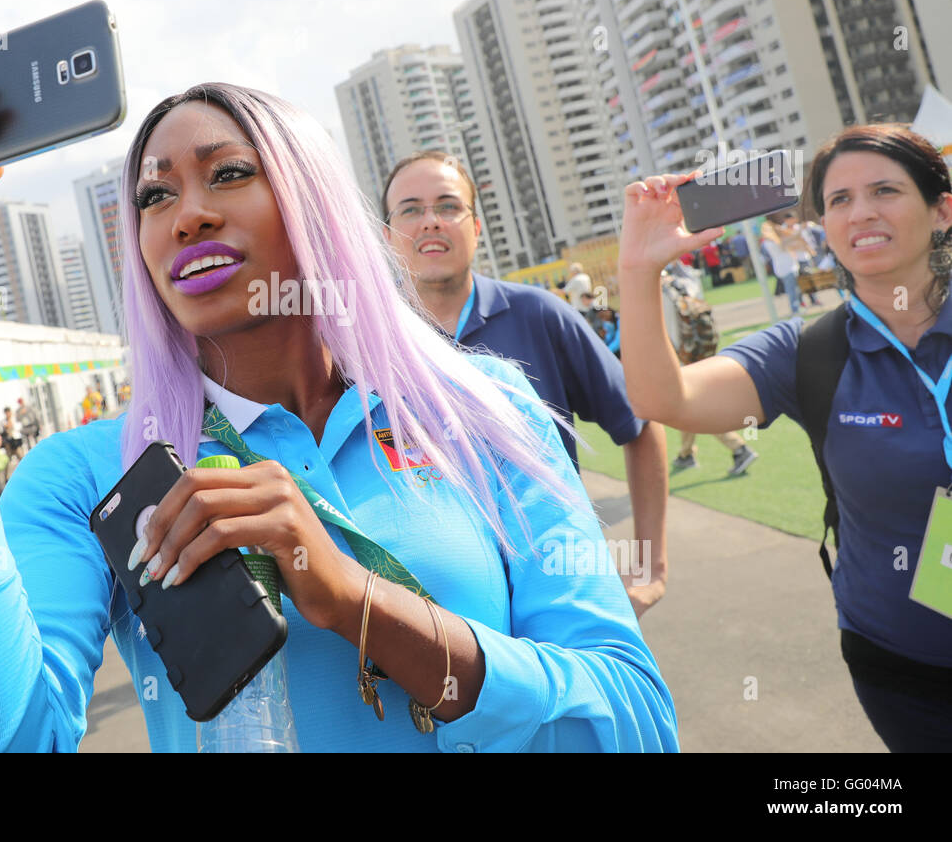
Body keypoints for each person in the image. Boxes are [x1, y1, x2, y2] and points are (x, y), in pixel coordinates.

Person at [0, 77, 677, 752]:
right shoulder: (91, 475)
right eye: (154, 198)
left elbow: (630, 722)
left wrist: (352, 598)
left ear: (318, 207)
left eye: (229, 173)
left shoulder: (482, 411)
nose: (187, 213)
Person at [617, 123, 952, 751]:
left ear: (942, 210)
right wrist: (639, 269)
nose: (862, 213)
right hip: (904, 676)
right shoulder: (807, 352)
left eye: (885, 190)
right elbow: (664, 399)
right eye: (840, 200)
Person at [381, 150, 669, 616]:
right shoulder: (367, 347)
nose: (430, 221)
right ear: (387, 235)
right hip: (438, 615)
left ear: (476, 227)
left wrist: (650, 569)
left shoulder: (540, 314)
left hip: (561, 596)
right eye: (410, 209)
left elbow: (637, 423)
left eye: (449, 206)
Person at [659, 265, 758, 477]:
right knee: (684, 408)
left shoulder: (659, 294)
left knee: (693, 410)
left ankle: (739, 448)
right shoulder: (685, 283)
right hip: (700, 350)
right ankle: (686, 454)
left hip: (681, 357)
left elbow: (664, 331)